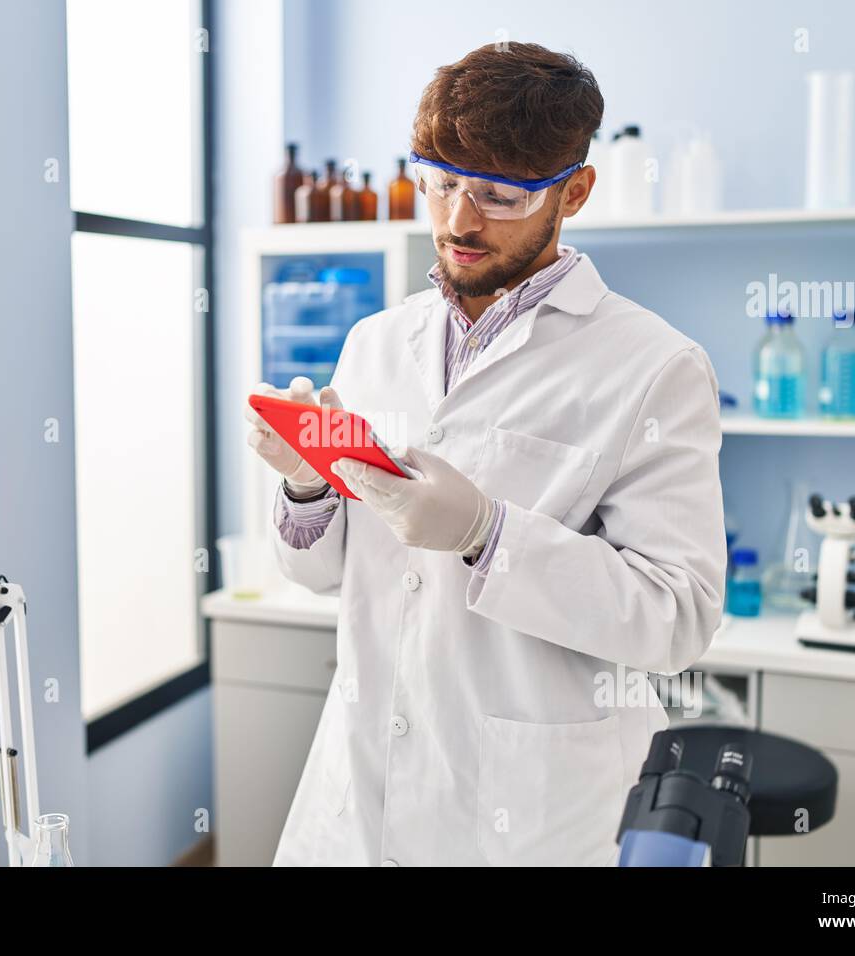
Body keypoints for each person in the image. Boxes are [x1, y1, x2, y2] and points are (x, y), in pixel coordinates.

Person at [245, 42, 725, 866]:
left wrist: (487, 533)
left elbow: (676, 617)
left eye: (500, 194)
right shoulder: (374, 342)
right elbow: (326, 578)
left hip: (528, 814)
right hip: (359, 793)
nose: (461, 220)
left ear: (573, 190)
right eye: (441, 180)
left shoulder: (656, 367)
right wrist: (305, 490)